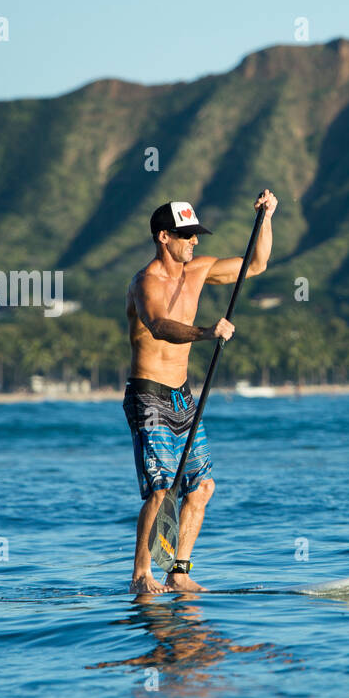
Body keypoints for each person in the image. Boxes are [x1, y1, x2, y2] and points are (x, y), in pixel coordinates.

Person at [123, 191, 277, 593]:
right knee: (160, 490)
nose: (194, 241)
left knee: (202, 487)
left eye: (196, 235)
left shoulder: (200, 270)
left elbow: (256, 264)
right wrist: (207, 332)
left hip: (183, 396)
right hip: (148, 395)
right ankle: (142, 575)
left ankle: (179, 571)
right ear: (163, 237)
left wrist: (266, 219)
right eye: (186, 235)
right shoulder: (145, 282)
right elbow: (158, 325)